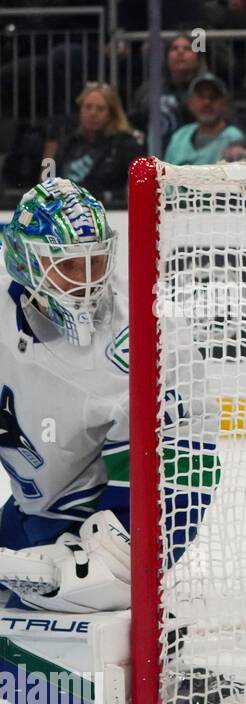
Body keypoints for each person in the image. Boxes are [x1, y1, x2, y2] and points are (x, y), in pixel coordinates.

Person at [0, 179, 133, 614]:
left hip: (89, 527)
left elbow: (188, 462)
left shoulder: (132, 343)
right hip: (25, 517)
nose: (87, 282)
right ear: (24, 260)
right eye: (69, 266)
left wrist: (118, 545)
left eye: (95, 263)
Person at [44, 82, 144, 204]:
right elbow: (48, 183)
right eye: (88, 107)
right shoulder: (68, 143)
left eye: (100, 109)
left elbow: (133, 190)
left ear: (111, 114)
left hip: (108, 212)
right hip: (63, 211)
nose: (92, 113)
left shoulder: (125, 145)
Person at [129, 32, 205, 154]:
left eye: (187, 48)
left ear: (197, 59)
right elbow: (133, 122)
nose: (180, 52)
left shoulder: (206, 91)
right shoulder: (149, 90)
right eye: (174, 48)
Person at [163, 74, 246, 166]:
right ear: (190, 103)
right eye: (201, 96)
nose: (207, 102)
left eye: (213, 97)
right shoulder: (180, 136)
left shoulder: (233, 137)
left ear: (224, 104)